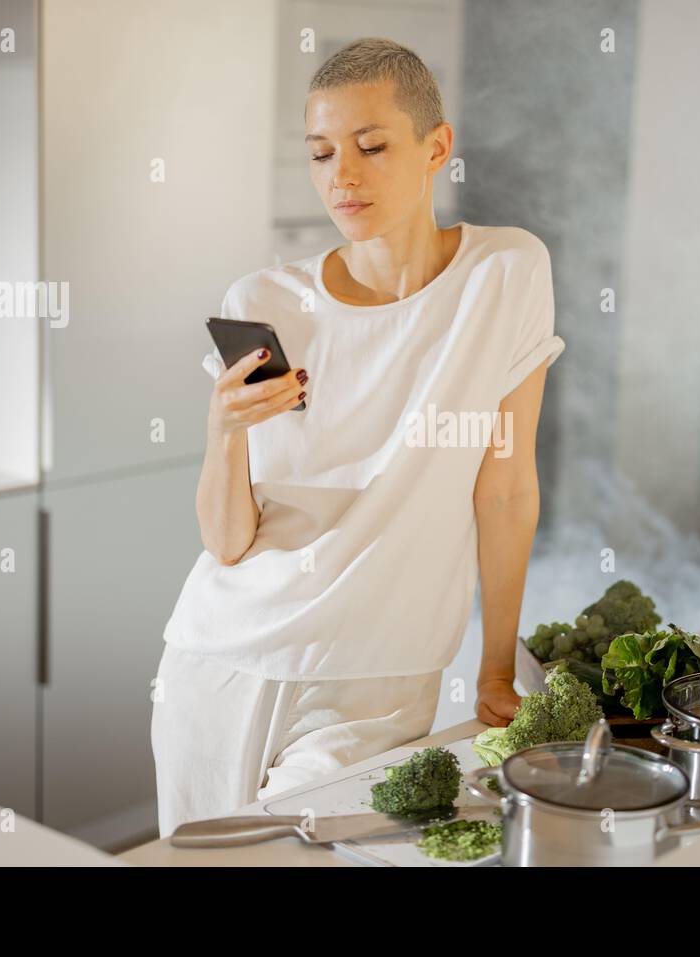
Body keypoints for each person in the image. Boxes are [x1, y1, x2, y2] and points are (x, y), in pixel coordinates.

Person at [151, 37, 564, 838]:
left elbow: (506, 488)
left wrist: (496, 660)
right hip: (217, 664)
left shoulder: (505, 274)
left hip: (376, 683)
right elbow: (226, 540)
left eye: (372, 146)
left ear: (436, 147)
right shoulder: (268, 298)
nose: (342, 174)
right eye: (321, 152)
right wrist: (222, 434)